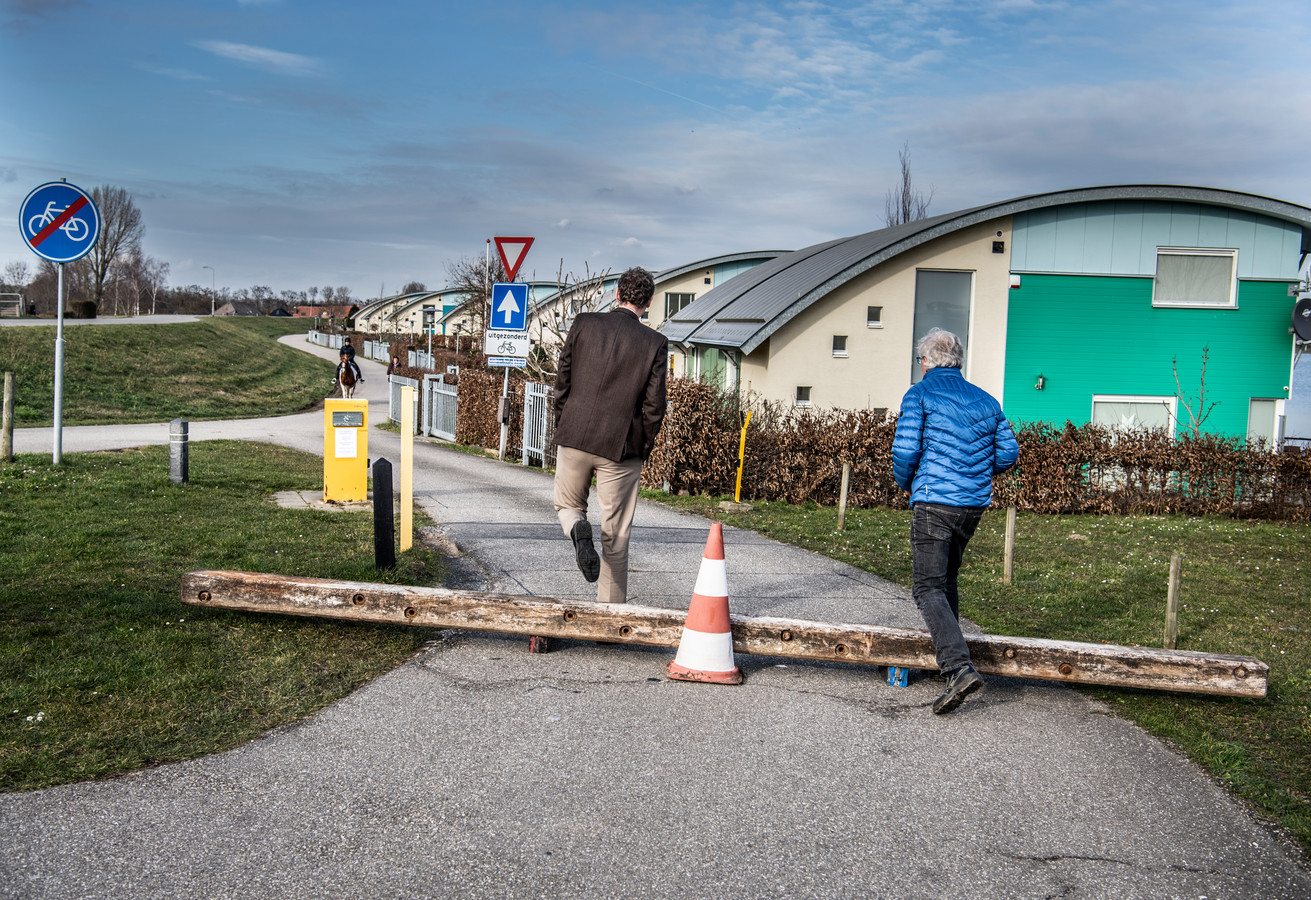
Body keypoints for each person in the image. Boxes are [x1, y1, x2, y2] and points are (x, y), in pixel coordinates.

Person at [892, 328, 1018, 714]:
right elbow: (1008, 454)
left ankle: (958, 666)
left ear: (926, 361)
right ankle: (950, 661)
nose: (921, 365)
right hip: (971, 505)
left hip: (934, 500)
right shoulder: (987, 400)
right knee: (946, 581)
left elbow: (906, 448)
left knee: (926, 587)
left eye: (921, 360)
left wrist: (904, 482)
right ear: (958, 361)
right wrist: (974, 472)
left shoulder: (921, 394)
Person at [553, 267, 667, 603]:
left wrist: (565, 422)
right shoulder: (654, 343)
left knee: (567, 505)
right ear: (647, 303)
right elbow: (654, 407)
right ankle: (610, 622)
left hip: (574, 434)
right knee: (615, 537)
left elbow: (563, 383)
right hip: (621, 449)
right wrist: (641, 449)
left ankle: (577, 529)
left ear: (617, 295)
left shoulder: (584, 323)